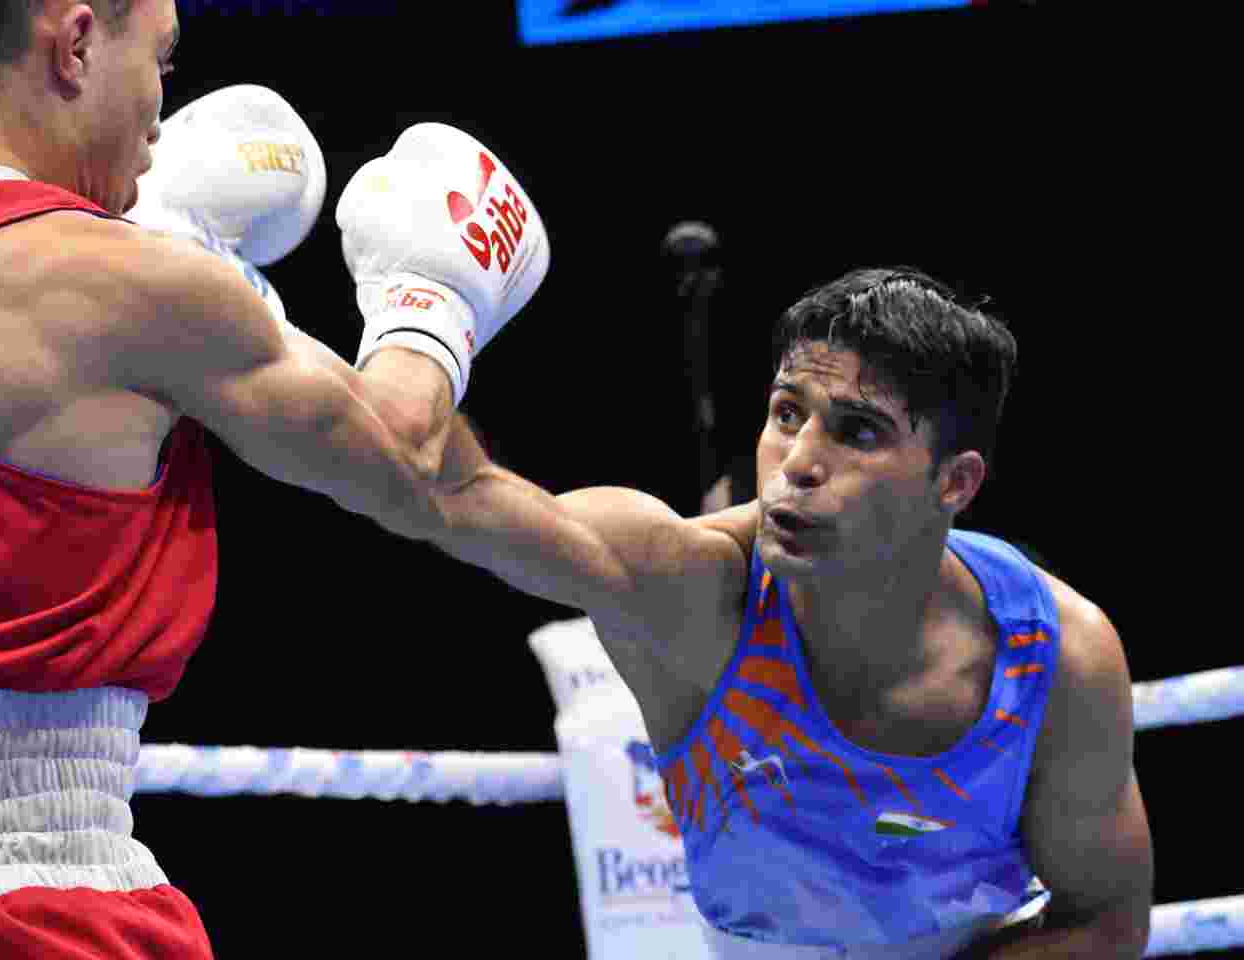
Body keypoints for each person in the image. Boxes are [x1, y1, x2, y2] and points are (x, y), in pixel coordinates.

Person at [0, 1, 547, 956]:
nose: (162, 114)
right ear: (78, 44)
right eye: (161, 60)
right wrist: (433, 303)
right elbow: (405, 454)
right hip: (39, 922)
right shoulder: (104, 280)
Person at [399, 268, 1153, 958]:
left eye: (858, 431)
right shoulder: (691, 590)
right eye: (788, 413)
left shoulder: (1057, 656)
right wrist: (427, 316)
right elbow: (448, 498)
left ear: (954, 483)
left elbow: (1106, 923)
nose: (798, 461)